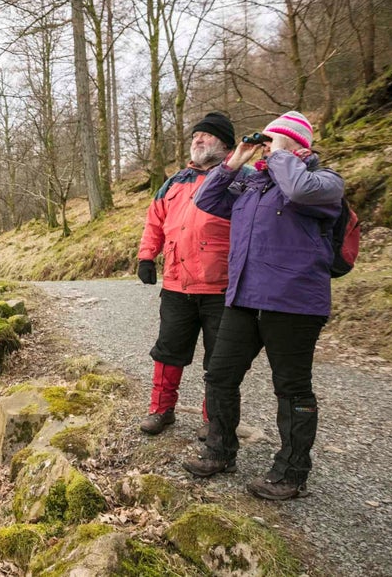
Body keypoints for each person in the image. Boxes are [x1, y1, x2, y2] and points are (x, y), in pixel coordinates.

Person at [182, 111, 344, 501]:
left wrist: (283, 153)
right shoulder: (252, 185)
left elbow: (300, 191)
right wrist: (233, 162)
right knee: (220, 376)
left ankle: (292, 473)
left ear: (294, 145)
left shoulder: (325, 182)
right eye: (266, 143)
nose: (266, 149)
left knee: (291, 389)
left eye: (273, 142)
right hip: (244, 298)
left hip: (294, 304)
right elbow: (205, 198)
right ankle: (219, 452)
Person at [136, 112, 235, 436]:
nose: (197, 140)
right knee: (167, 350)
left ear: (224, 144)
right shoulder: (175, 181)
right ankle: (161, 410)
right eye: (195, 136)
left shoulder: (238, 178)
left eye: (205, 136)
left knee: (219, 360)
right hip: (177, 284)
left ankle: (213, 420)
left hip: (221, 287)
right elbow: (155, 221)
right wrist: (147, 257)